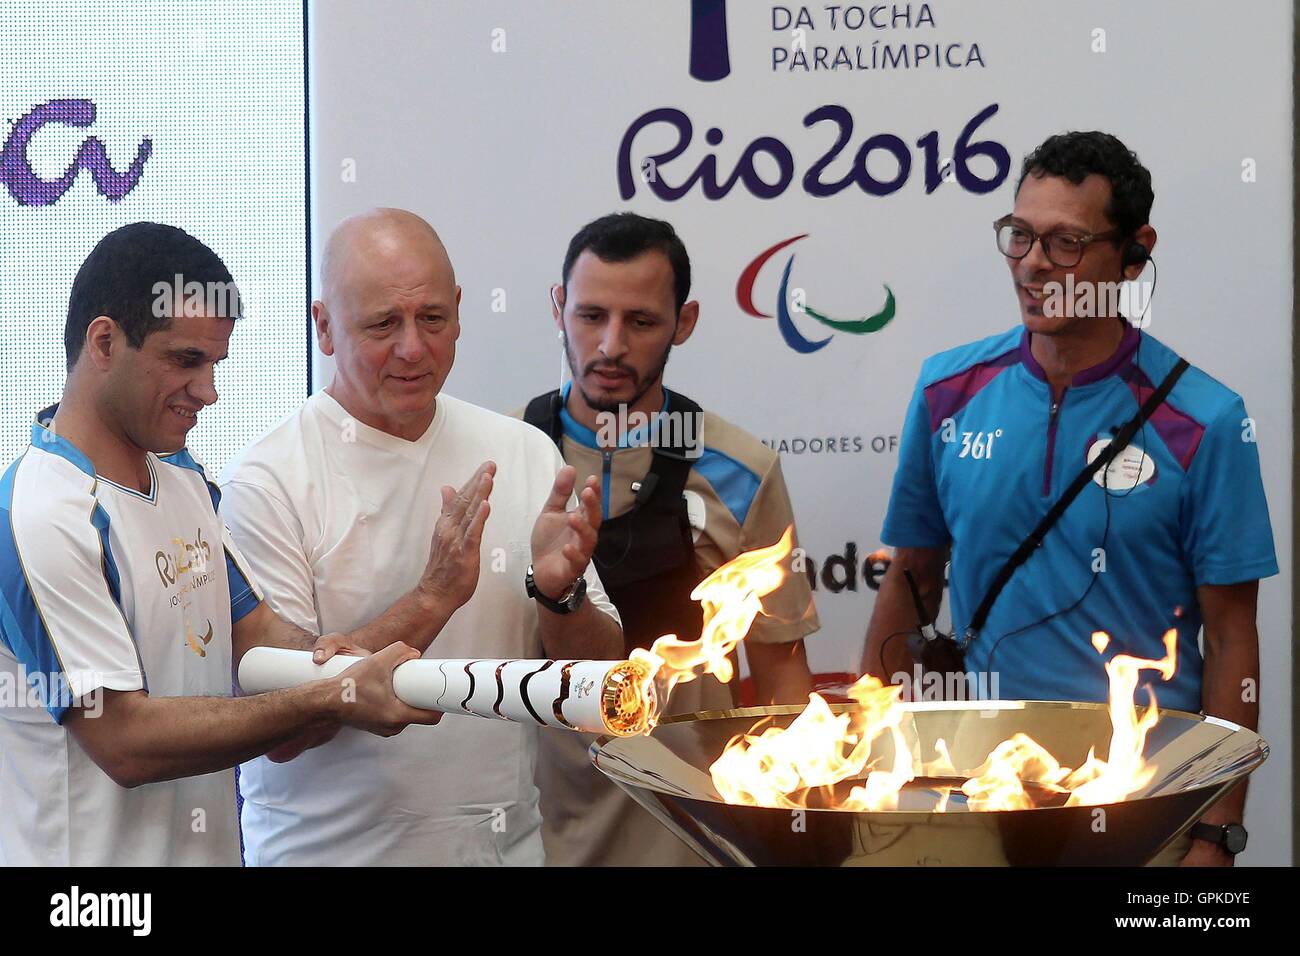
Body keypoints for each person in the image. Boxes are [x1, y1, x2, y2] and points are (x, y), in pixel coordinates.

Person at [862, 131, 1277, 866]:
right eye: (1019, 236)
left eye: (1065, 243)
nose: (1031, 264)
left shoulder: (1206, 420)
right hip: (976, 798)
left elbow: (1232, 639)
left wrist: (1217, 830)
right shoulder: (947, 392)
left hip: (1143, 805)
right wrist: (869, 764)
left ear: (1135, 252)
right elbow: (910, 582)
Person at [0, 222, 445, 866]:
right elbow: (124, 740)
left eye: (215, 364)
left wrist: (337, 658)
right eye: (185, 360)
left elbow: (259, 634)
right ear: (104, 341)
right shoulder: (39, 512)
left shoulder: (181, 478)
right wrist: (331, 694)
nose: (208, 391)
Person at [220, 208, 623, 866]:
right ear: (323, 327)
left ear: (460, 311)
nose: (413, 348)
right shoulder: (268, 480)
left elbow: (598, 692)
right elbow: (279, 725)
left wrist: (559, 595)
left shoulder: (522, 452)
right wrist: (433, 599)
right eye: (383, 324)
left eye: (432, 319)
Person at [521, 212, 819, 866]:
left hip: (691, 841)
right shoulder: (506, 457)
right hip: (533, 840)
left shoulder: (740, 468)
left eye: (642, 321)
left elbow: (782, 677)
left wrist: (793, 831)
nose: (610, 345)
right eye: (591, 315)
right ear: (557, 307)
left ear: (684, 323)